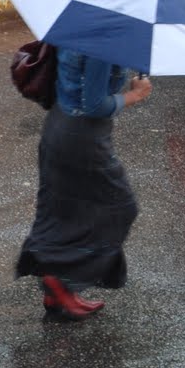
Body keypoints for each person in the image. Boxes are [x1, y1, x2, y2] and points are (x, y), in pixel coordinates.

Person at [16, 48, 152, 320]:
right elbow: (94, 105)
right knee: (119, 208)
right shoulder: (102, 44)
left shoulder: (79, 30)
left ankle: (58, 291)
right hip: (83, 138)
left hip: (58, 127)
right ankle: (62, 280)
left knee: (64, 209)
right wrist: (135, 95)